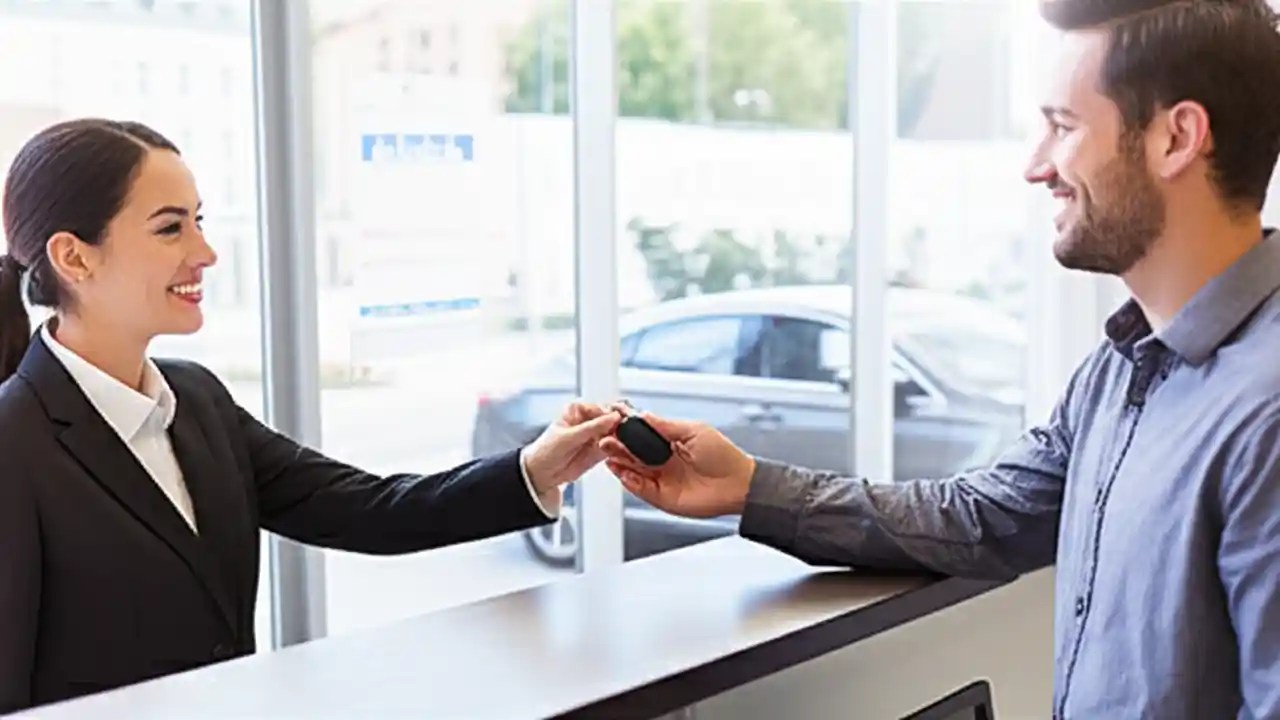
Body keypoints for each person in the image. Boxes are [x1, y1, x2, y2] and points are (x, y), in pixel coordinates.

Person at [601, 1, 1280, 718]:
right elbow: (982, 517)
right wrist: (748, 486)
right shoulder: (1121, 368)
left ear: (1177, 138)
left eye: (1063, 126)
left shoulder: (1265, 410)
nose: (1035, 165)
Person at [0, 118, 621, 713]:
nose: (207, 252)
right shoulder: (14, 442)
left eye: (199, 222)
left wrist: (535, 471)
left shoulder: (199, 402)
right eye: (170, 229)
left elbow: (368, 510)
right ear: (75, 258)